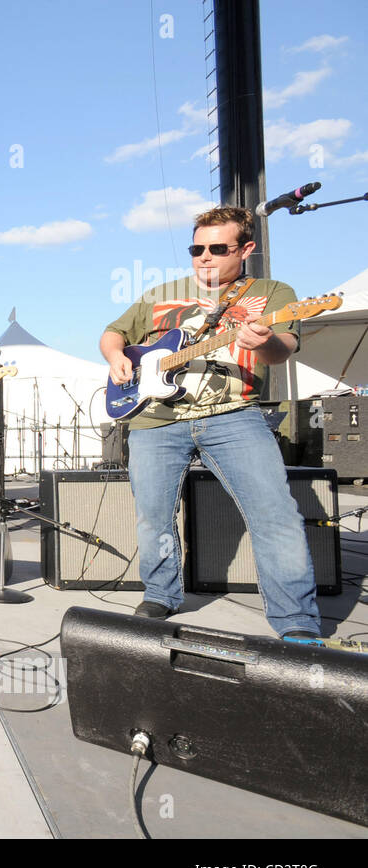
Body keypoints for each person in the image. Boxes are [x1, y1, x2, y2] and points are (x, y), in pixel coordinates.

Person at [101, 205, 321, 642]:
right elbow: (113, 334)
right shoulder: (161, 293)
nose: (204, 257)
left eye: (218, 248)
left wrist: (265, 340)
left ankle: (296, 621)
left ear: (247, 249)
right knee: (153, 518)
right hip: (155, 420)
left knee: (275, 516)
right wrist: (115, 359)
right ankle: (160, 594)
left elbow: (282, 350)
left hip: (234, 415)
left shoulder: (273, 291)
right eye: (197, 248)